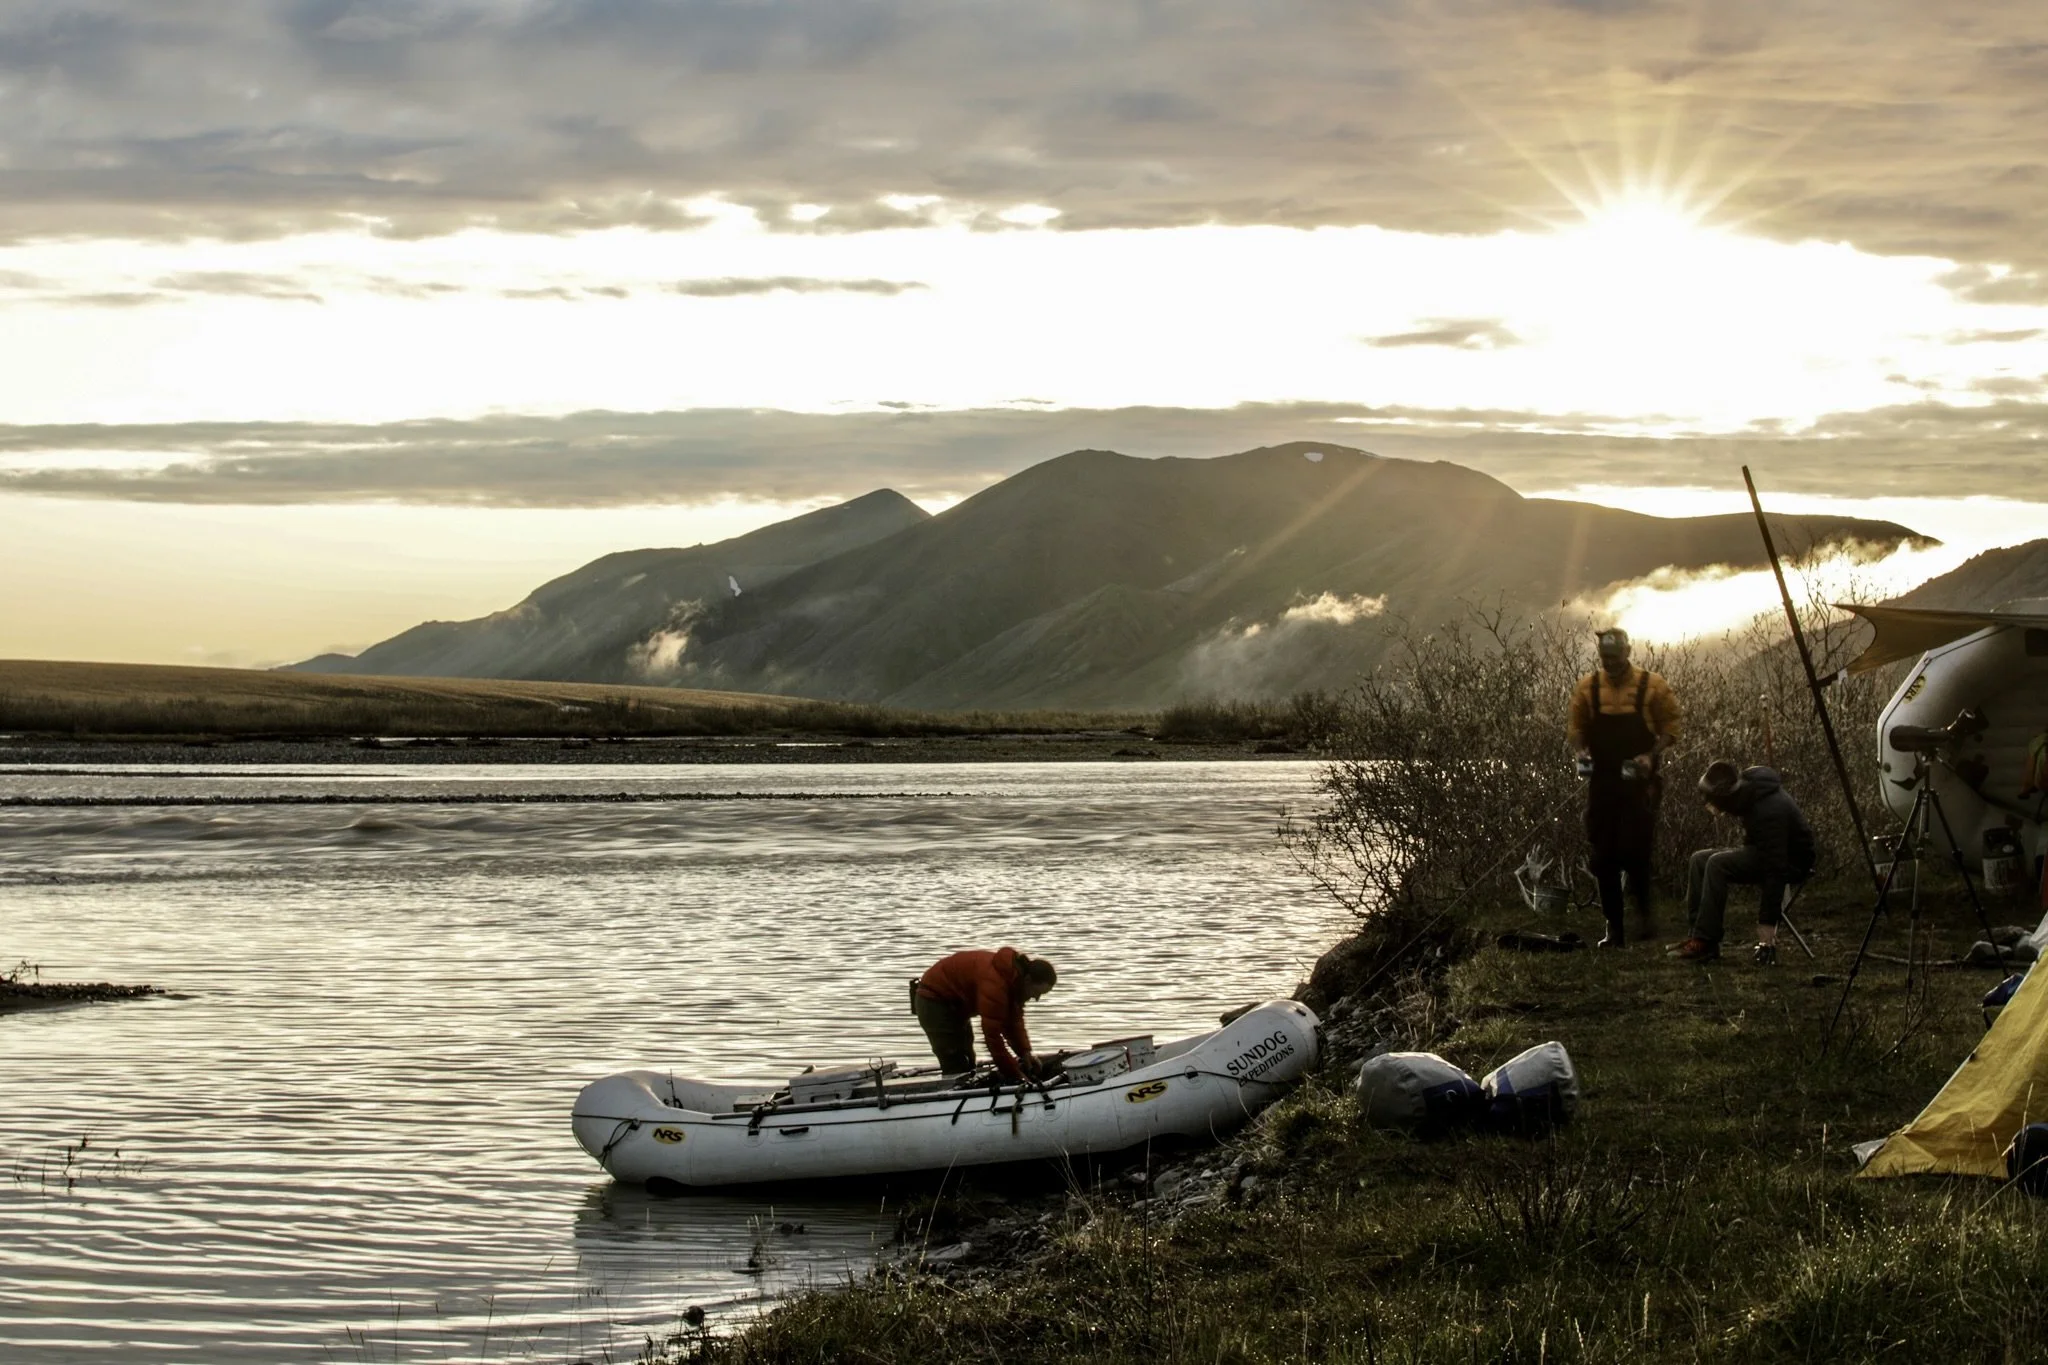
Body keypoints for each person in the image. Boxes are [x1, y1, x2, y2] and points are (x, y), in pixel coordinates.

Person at [1567, 627, 1682, 948]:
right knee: (1603, 855)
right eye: (1605, 658)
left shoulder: (1652, 685)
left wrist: (1651, 755)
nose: (1611, 663)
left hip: (1639, 782)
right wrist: (1581, 753)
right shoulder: (1588, 688)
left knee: (1637, 851)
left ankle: (1645, 920)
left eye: (1616, 657)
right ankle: (1614, 927)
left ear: (1628, 652)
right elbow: (1576, 728)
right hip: (1602, 782)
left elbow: (1671, 727)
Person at [1673, 761, 1816, 965]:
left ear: (1724, 797)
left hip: (1792, 862)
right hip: (1763, 851)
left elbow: (1776, 869)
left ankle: (1706, 941)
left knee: (1716, 864)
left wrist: (1767, 925)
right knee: (1699, 859)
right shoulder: (1749, 791)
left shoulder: (1768, 810)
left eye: (1711, 800)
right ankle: (1698, 937)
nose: (1708, 805)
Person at [911, 947, 1057, 1079]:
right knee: (955, 1060)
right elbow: (993, 1038)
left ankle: (967, 1088)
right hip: (933, 1001)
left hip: (956, 1007)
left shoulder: (1014, 981)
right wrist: (1016, 1075)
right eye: (1037, 992)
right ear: (1028, 980)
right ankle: (955, 1093)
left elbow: (1013, 1022)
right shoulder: (996, 985)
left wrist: (1025, 1053)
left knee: (968, 1057)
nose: (1036, 998)